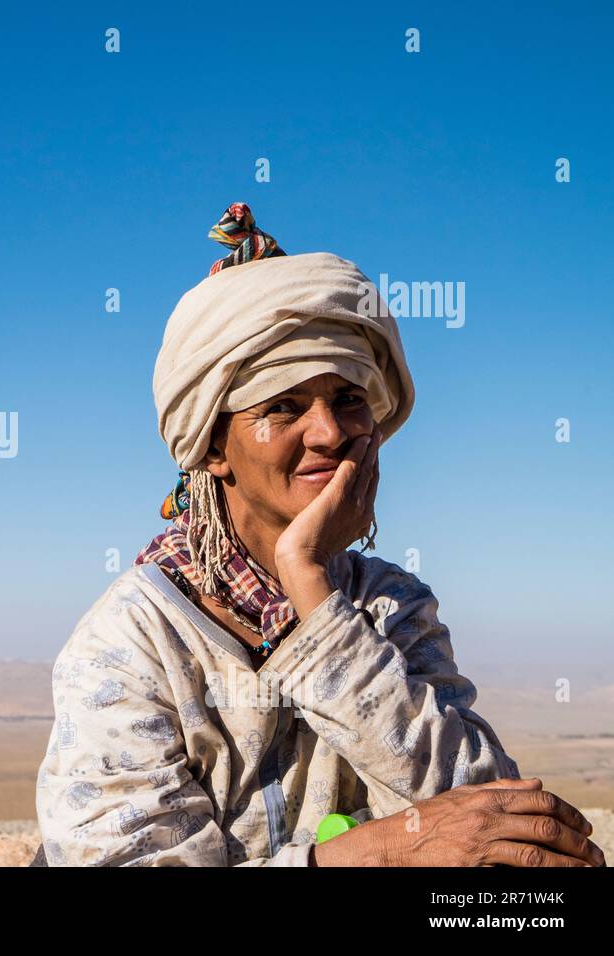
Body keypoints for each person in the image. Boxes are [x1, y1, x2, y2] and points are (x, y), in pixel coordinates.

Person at [34, 204, 605, 867]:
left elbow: (483, 822)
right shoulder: (132, 642)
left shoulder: (391, 607)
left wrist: (311, 587)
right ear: (212, 447)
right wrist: (374, 853)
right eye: (283, 406)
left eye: (348, 399)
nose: (330, 434)